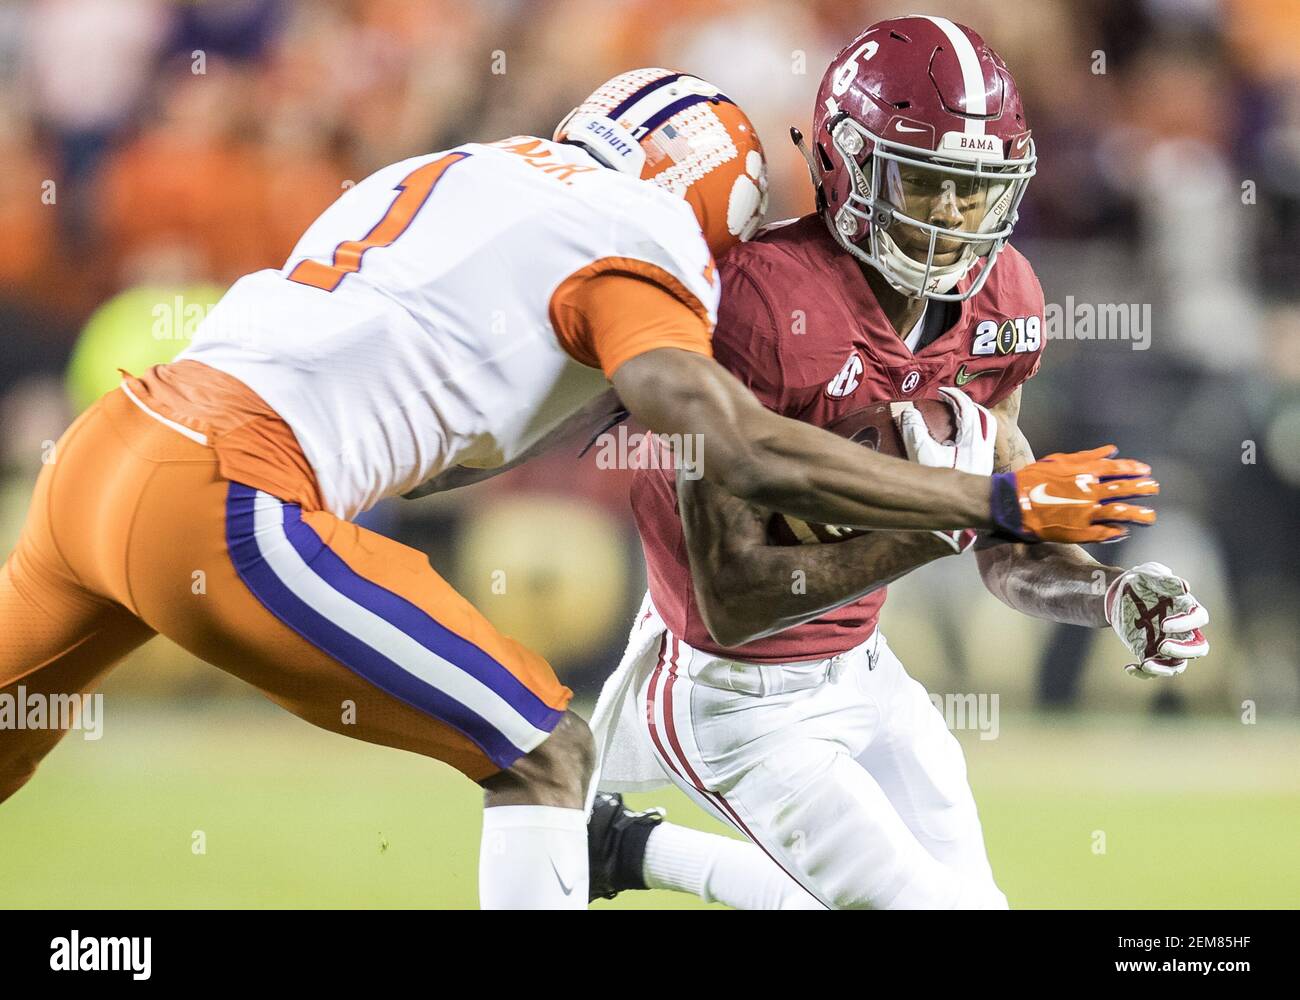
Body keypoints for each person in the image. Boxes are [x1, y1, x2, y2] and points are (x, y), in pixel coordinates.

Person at [0, 66, 1156, 910]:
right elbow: (736, 442)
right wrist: (988, 503)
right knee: (543, 744)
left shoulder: (465, 172)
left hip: (107, 454)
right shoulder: (636, 233)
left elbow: (437, 392)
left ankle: (624, 849)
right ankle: (618, 851)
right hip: (226, 488)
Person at [581, 19, 1208, 909]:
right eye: (927, 179)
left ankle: (628, 849)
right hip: (730, 689)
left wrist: (1107, 594)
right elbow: (736, 598)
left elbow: (1010, 548)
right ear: (847, 166)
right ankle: (634, 850)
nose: (952, 213)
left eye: (974, 186)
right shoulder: (763, 305)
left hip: (861, 665)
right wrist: (960, 512)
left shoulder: (1002, 299)